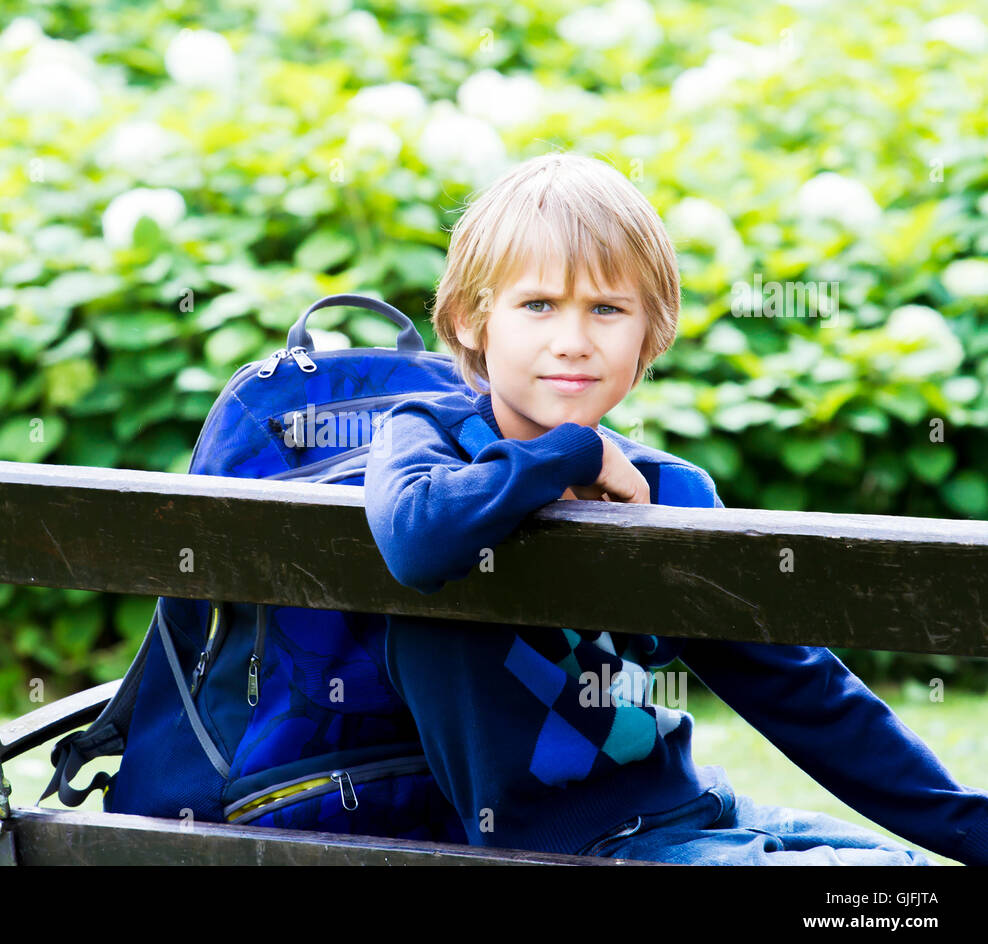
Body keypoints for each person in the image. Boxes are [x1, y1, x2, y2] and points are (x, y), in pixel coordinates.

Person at [362, 150, 988, 865]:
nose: (572, 341)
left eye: (606, 309)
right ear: (476, 320)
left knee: (899, 876)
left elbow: (806, 697)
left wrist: (972, 830)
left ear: (649, 331)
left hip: (695, 812)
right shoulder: (430, 443)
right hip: (581, 849)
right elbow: (418, 541)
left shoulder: (670, 489)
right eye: (537, 305)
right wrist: (576, 453)